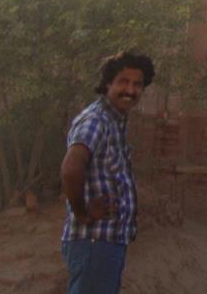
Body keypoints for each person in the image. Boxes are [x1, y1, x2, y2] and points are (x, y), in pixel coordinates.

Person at [60, 49, 155, 294]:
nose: (130, 90)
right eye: (123, 82)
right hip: (94, 243)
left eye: (137, 84)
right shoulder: (97, 120)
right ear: (108, 84)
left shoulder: (115, 122)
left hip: (107, 243)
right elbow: (71, 168)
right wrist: (82, 213)